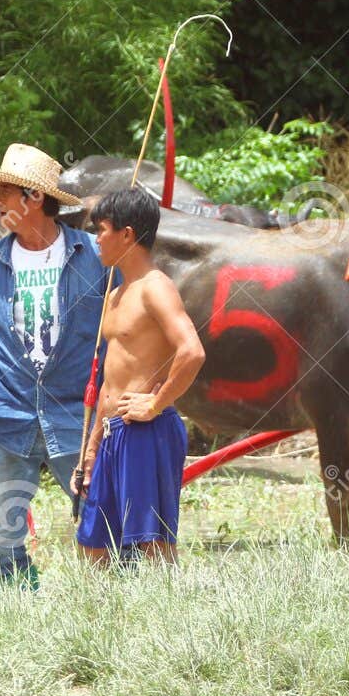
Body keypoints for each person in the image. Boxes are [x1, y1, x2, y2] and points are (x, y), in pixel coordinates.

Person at [0, 144, 109, 584]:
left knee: (102, 523)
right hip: (2, 416)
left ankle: (106, 608)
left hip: (77, 415)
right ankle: (20, 607)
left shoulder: (94, 257)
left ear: (32, 198)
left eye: (4, 192)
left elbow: (125, 316)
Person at [74, 186, 205, 563]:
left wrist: (156, 403)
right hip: (113, 433)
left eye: (101, 229)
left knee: (153, 542)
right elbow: (110, 380)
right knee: (94, 545)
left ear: (127, 234)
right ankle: (101, 621)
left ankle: (171, 620)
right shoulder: (116, 294)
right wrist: (93, 447)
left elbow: (192, 351)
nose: (96, 239)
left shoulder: (155, 288)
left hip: (147, 430)